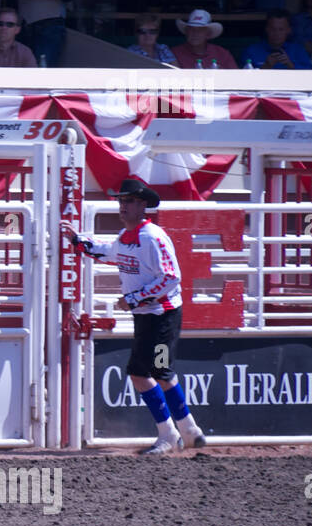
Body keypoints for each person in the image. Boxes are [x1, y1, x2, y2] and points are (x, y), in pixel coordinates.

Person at [62, 180, 206, 455]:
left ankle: (176, 433)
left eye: (128, 201)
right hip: (149, 317)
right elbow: (109, 252)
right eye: (121, 201)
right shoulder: (128, 237)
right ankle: (184, 431)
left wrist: (134, 298)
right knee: (149, 373)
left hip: (162, 316)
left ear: (142, 205)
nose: (122, 207)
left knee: (152, 372)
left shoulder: (152, 237)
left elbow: (172, 276)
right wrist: (79, 240)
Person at [241, 9, 312, 70]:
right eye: (273, 29)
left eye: (281, 29)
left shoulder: (298, 50)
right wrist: (266, 66)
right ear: (267, 29)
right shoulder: (251, 51)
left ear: (289, 30)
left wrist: (291, 66)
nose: (276, 33)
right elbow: (243, 79)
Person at [170, 9, 236, 70]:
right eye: (191, 30)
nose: (195, 34)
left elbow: (235, 77)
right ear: (186, 32)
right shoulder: (174, 53)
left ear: (208, 34)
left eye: (200, 30)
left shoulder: (222, 54)